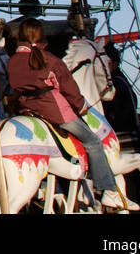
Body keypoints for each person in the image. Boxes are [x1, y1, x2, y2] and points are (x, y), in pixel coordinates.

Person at [8, 18, 132, 210]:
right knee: (92, 142)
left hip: (28, 109)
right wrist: (81, 105)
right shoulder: (49, 59)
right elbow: (68, 87)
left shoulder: (14, 60)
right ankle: (109, 191)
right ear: (41, 36)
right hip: (54, 110)